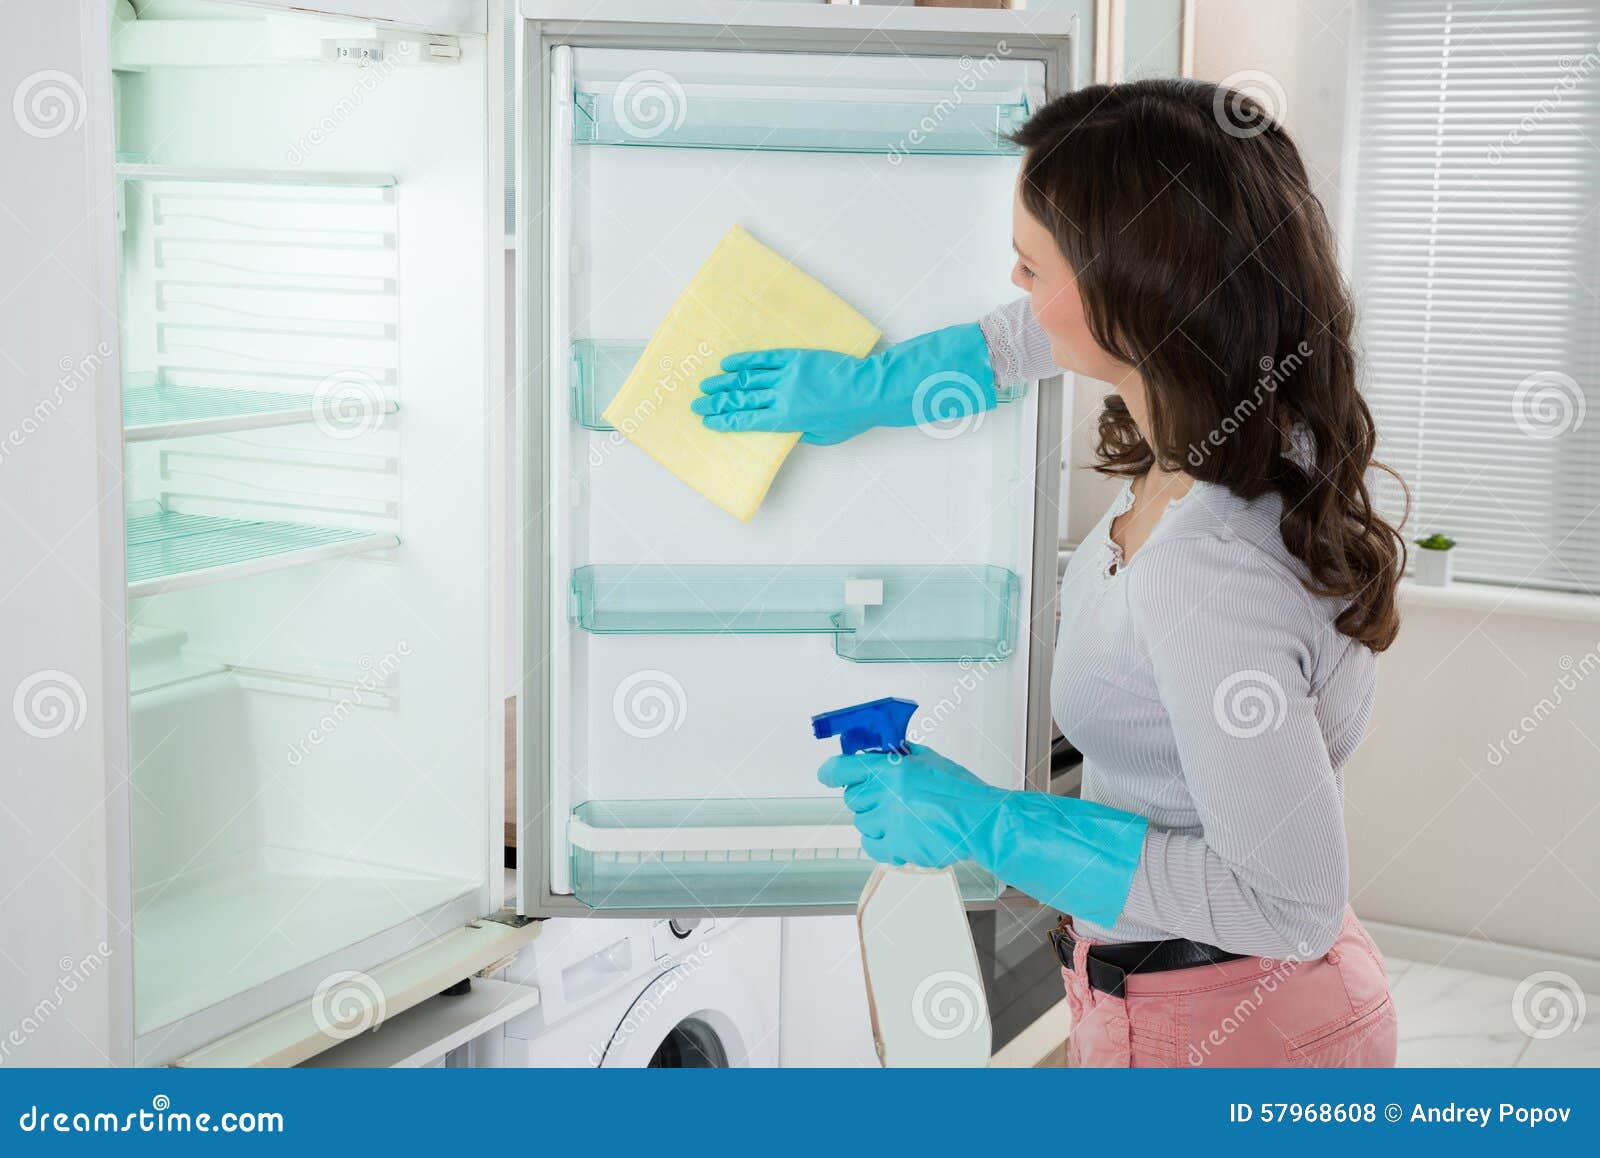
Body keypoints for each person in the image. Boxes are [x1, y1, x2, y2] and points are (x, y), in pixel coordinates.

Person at [692, 79, 1406, 1068]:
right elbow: (1030, 333)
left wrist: (983, 822)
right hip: (1179, 997)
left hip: (1233, 1034)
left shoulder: (1207, 570)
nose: (1014, 285)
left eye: (1032, 265)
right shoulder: (1239, 412)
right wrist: (874, 388)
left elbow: (1285, 904)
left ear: (1139, 291)